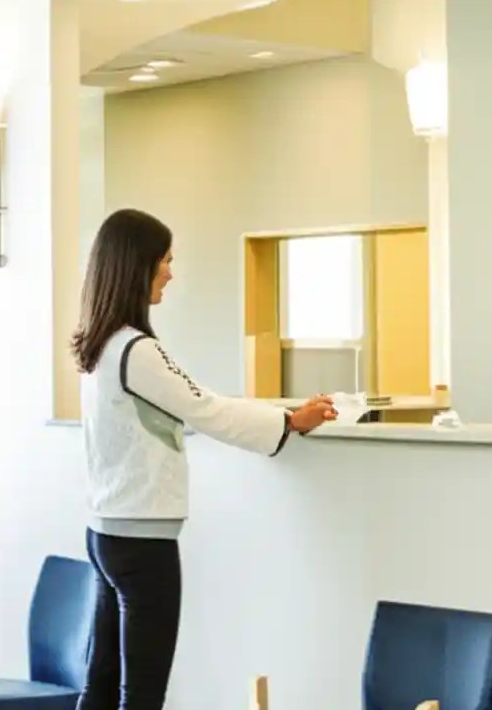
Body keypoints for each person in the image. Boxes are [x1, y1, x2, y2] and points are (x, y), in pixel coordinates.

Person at [71, 208, 337, 710]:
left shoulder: (101, 343)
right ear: (138, 265)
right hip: (141, 541)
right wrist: (289, 421)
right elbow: (205, 409)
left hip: (106, 532)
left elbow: (178, 412)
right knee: (141, 694)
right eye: (165, 261)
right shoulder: (137, 349)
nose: (170, 273)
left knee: (101, 685)